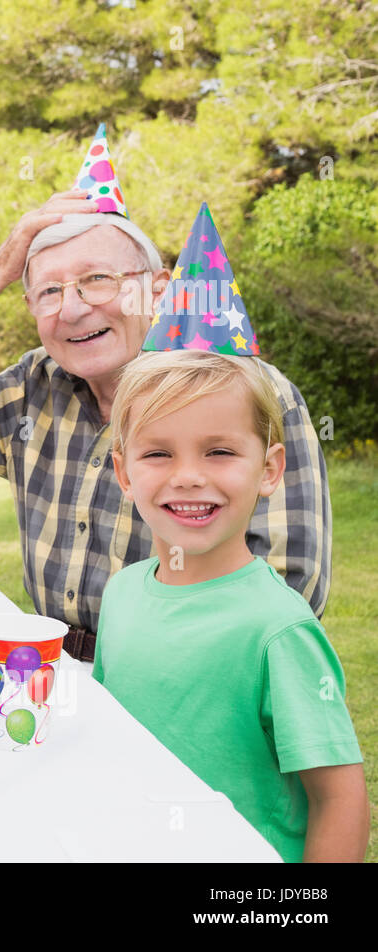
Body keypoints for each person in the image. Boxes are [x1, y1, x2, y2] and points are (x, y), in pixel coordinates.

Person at [0, 191, 330, 660]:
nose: (71, 309)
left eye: (97, 280)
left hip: (176, 670)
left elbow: (292, 582)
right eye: (49, 291)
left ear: (158, 290)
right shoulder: (37, 383)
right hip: (48, 665)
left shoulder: (240, 391)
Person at [95, 350, 365, 862]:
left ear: (268, 469)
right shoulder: (123, 592)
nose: (189, 476)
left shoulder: (278, 629)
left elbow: (338, 798)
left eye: (218, 451)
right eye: (157, 454)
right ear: (124, 473)